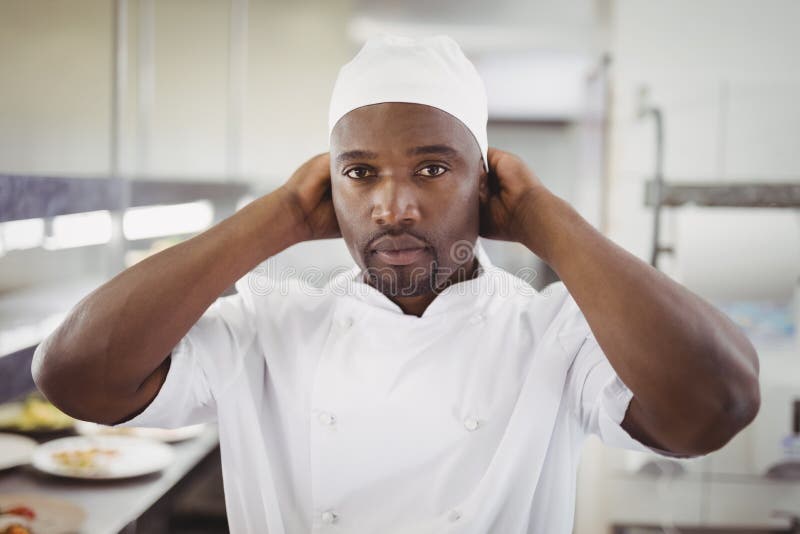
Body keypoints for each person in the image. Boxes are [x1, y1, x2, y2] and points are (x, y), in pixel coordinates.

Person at [32, 34, 760, 533]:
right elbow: (72, 374)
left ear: (487, 183)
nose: (394, 205)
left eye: (434, 169)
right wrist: (275, 218)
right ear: (329, 186)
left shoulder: (555, 336)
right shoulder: (264, 328)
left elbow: (718, 405)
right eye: (360, 173)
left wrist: (547, 219)